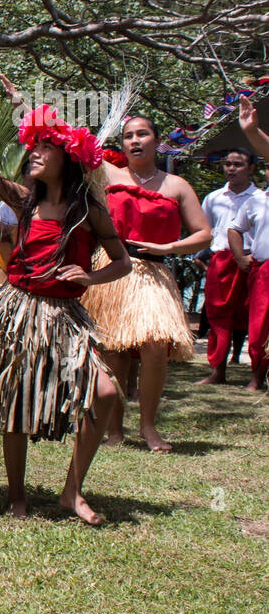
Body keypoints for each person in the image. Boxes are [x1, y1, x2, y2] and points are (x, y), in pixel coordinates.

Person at [0, 83, 130, 524]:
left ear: (67, 157)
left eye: (44, 147)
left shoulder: (88, 209)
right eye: (33, 146)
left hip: (66, 317)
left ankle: (72, 490)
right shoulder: (22, 200)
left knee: (105, 393)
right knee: (15, 400)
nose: (33, 153)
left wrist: (90, 275)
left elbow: (123, 262)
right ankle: (17, 495)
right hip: (18, 310)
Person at [80, 115, 212, 453]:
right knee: (112, 350)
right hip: (111, 267)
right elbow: (69, 148)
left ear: (157, 140)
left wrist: (168, 248)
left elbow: (203, 234)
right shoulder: (107, 174)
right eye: (128, 136)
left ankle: (149, 427)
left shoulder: (176, 185)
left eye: (142, 134)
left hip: (153, 273)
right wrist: (25, 107)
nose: (134, 141)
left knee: (155, 345)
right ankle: (114, 430)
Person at [198, 148, 259, 384]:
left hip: (252, 261)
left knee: (255, 317)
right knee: (217, 316)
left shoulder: (261, 199)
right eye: (228, 164)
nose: (231, 169)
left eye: (238, 164)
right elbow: (205, 232)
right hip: (221, 261)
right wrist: (201, 259)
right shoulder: (213, 198)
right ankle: (217, 371)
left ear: (252, 168)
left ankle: (257, 376)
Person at [231, 94, 269, 389]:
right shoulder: (257, 200)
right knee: (257, 329)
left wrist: (252, 133)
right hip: (263, 271)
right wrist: (251, 131)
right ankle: (258, 377)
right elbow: (235, 229)